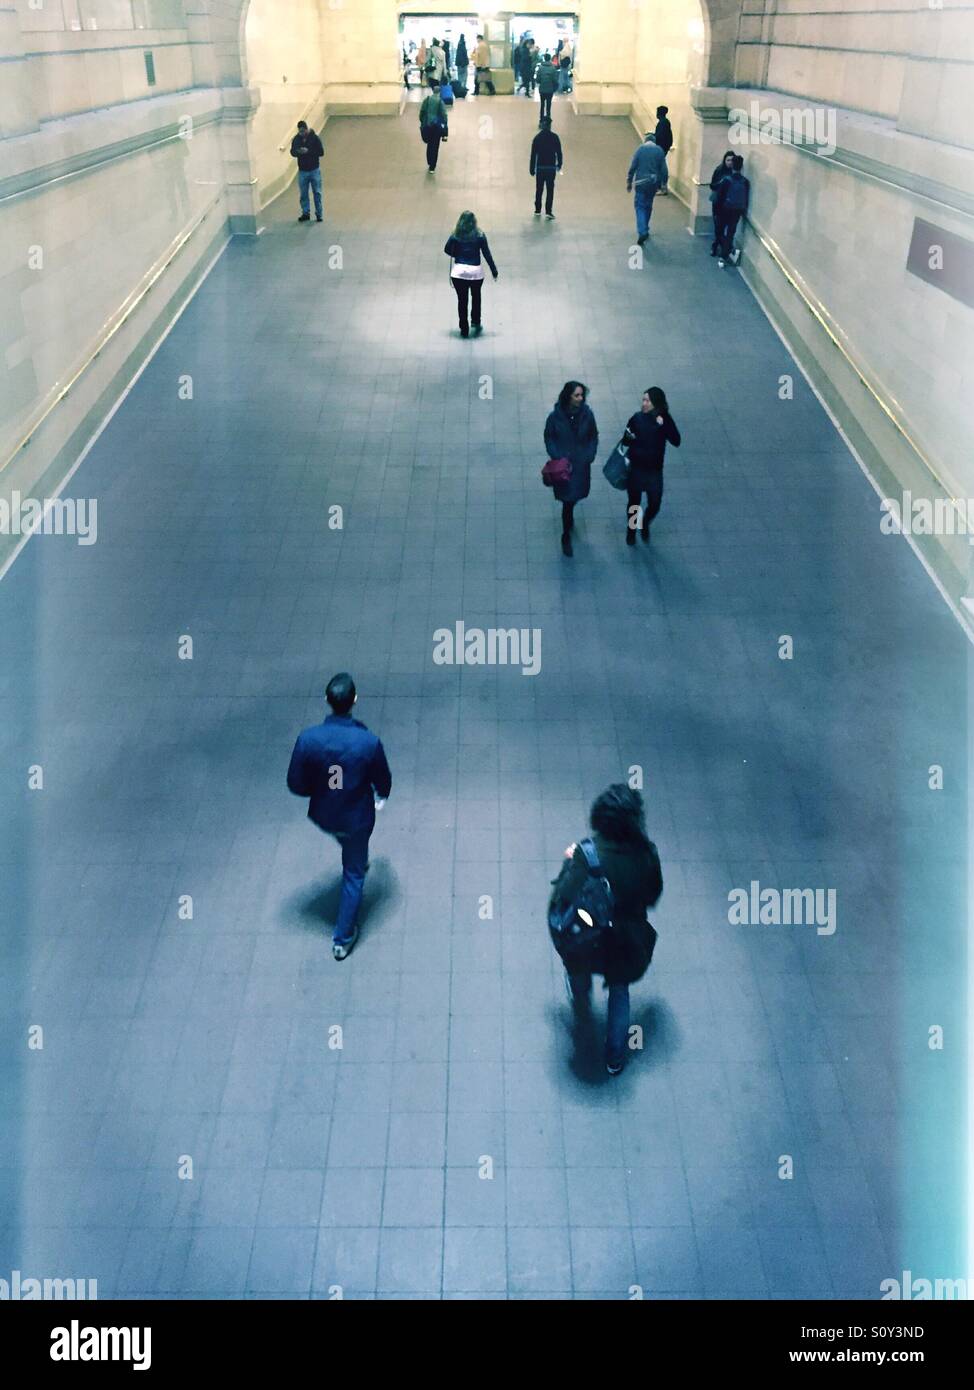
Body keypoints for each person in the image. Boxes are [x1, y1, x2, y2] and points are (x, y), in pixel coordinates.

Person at [551, 786, 663, 1075]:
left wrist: (568, 860)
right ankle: (614, 1056)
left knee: (577, 971)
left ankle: (582, 1010)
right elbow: (653, 894)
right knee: (620, 990)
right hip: (625, 940)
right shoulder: (646, 854)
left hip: (587, 938)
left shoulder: (587, 855)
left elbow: (565, 893)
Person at [287, 673, 392, 961]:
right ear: (355, 700)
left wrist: (320, 791)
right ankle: (343, 938)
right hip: (355, 818)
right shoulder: (367, 742)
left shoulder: (308, 739)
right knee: (353, 874)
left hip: (323, 814)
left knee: (346, 841)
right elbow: (383, 780)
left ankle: (351, 849)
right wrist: (381, 796)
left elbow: (295, 784)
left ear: (327, 701)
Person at [544, 381, 599, 557]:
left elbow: (593, 436)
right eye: (577, 395)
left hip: (581, 464)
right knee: (567, 502)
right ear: (568, 396)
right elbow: (549, 437)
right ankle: (566, 535)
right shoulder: (555, 417)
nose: (581, 398)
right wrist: (557, 456)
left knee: (574, 497)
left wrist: (589, 455)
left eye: (582, 395)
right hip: (564, 467)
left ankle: (569, 521)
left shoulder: (587, 415)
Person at [621, 387, 681, 545]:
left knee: (654, 504)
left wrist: (665, 425)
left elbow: (676, 440)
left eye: (648, 401)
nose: (644, 403)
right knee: (634, 504)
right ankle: (632, 530)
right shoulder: (636, 418)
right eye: (643, 400)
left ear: (657, 403)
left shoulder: (664, 419)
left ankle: (645, 523)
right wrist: (629, 437)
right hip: (636, 469)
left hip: (654, 471)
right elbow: (625, 440)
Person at [444, 209, 499, 338]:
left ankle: (464, 327)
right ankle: (475, 320)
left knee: (462, 300)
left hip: (459, 273)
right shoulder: (480, 235)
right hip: (475, 272)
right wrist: (494, 270)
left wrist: (458, 254)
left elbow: (446, 249)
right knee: (476, 296)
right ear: (474, 222)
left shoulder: (455, 235)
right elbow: (487, 254)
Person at [626, 132, 666, 245]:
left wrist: (629, 181)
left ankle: (642, 230)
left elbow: (633, 167)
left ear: (645, 141)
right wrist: (664, 184)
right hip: (653, 184)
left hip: (640, 183)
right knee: (648, 205)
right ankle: (646, 228)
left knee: (639, 206)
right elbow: (664, 169)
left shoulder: (640, 150)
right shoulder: (659, 151)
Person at [715, 153, 749, 266]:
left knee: (720, 230)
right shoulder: (745, 182)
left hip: (725, 209)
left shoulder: (727, 180)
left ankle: (727, 251)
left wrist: (717, 211)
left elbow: (719, 197)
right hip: (738, 210)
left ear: (733, 166)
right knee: (731, 232)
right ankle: (724, 256)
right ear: (742, 167)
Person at [290, 120, 324, 223]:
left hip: (314, 169)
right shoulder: (296, 139)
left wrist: (308, 151)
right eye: (300, 132)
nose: (302, 134)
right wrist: (298, 152)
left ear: (307, 129)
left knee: (317, 193)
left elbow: (321, 152)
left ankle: (319, 214)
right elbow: (292, 152)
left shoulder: (315, 138)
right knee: (303, 194)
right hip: (303, 171)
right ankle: (305, 213)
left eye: (303, 131)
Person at [530, 116, 563, 218]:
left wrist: (531, 169)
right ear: (549, 125)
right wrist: (559, 164)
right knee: (550, 190)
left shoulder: (537, 138)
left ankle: (537, 209)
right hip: (550, 168)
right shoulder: (555, 137)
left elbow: (533, 155)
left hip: (540, 168)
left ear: (541, 125)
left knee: (539, 189)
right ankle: (548, 211)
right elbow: (559, 153)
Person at [709, 150, 735, 255]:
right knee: (718, 227)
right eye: (728, 160)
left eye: (731, 160)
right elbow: (712, 185)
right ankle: (719, 246)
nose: (729, 162)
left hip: (727, 204)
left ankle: (717, 246)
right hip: (718, 203)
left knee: (721, 227)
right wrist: (721, 184)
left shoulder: (733, 172)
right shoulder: (719, 170)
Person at [418, 82, 448, 172]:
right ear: (439, 92)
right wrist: (445, 127)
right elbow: (444, 115)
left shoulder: (426, 100)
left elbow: (421, 113)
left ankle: (429, 161)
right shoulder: (440, 101)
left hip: (427, 126)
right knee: (435, 146)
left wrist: (423, 122)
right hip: (437, 128)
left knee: (429, 145)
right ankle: (432, 167)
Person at [654, 105, 673, 193]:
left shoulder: (663, 123)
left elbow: (660, 136)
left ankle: (662, 187)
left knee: (660, 167)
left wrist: (654, 140)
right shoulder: (665, 122)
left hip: (661, 147)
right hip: (663, 147)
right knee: (660, 166)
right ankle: (661, 186)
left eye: (657, 112)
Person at [536, 51, 559, 122]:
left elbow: (538, 80)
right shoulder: (553, 68)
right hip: (550, 90)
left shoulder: (540, 68)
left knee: (542, 104)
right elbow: (555, 80)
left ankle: (541, 118)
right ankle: (548, 117)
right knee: (549, 104)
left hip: (542, 89)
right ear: (550, 59)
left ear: (544, 58)